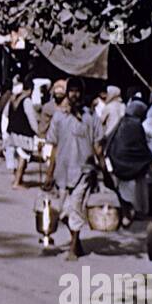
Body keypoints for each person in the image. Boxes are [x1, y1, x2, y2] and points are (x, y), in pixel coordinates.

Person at [44, 77, 105, 260]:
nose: (75, 94)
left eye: (78, 91)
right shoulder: (59, 117)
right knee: (63, 211)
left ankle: (72, 249)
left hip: (84, 170)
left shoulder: (91, 117)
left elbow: (98, 146)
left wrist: (103, 169)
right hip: (62, 171)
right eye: (72, 91)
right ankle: (76, 242)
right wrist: (49, 173)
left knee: (76, 207)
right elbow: (53, 147)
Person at [104, 100, 152, 218]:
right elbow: (140, 145)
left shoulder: (122, 121)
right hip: (133, 162)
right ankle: (138, 210)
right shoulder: (136, 124)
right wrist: (149, 157)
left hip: (118, 159)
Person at [5, 79, 39, 190]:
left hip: (13, 131)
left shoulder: (14, 99)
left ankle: (18, 179)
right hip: (23, 132)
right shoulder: (26, 101)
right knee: (23, 157)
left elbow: (6, 113)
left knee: (19, 156)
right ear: (30, 90)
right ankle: (17, 182)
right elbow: (31, 118)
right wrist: (37, 131)